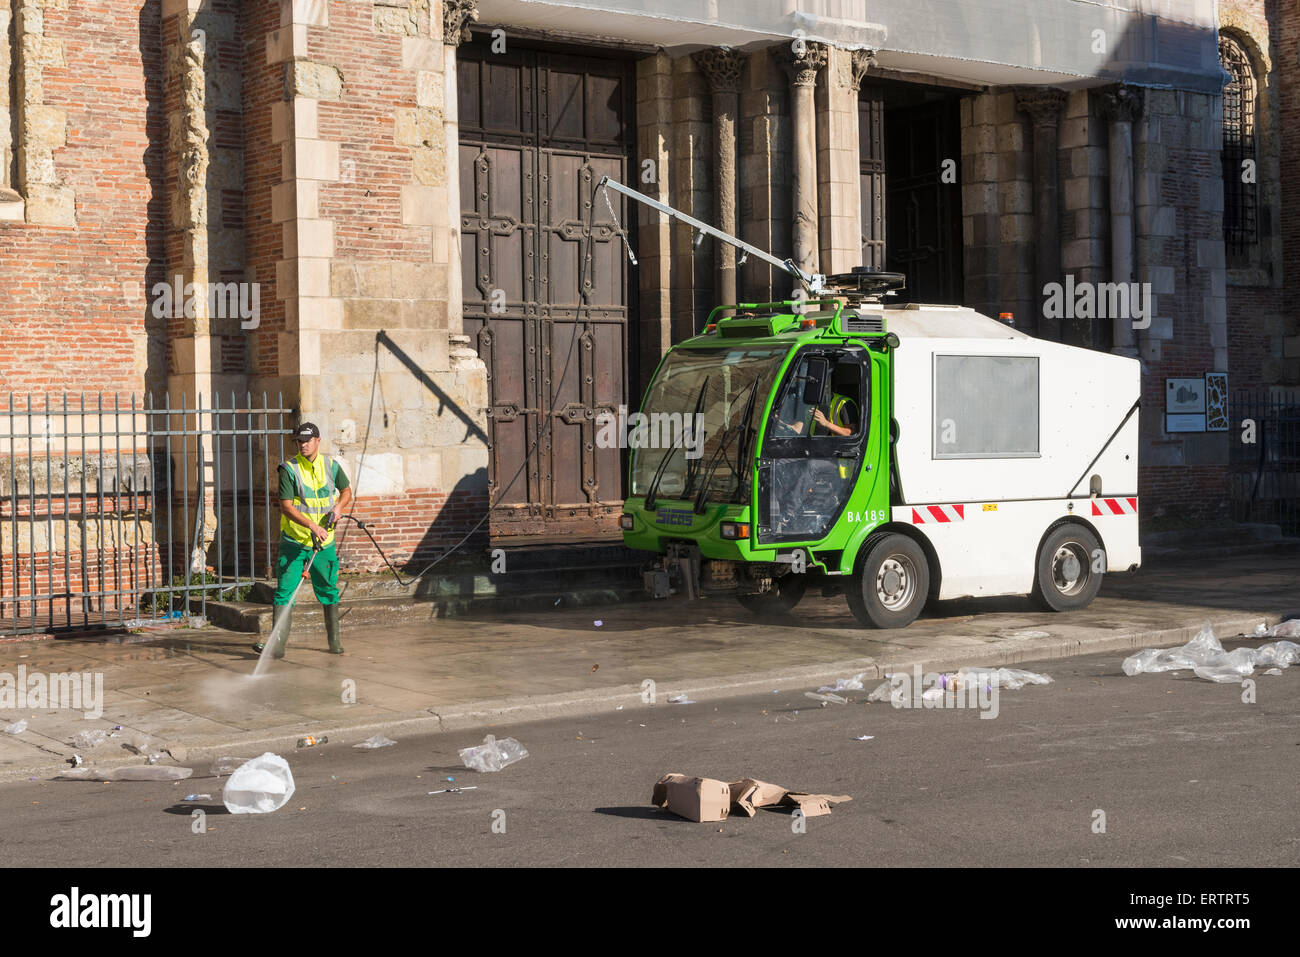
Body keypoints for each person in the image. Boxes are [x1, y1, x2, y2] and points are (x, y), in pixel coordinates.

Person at [253, 422, 353, 658]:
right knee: (285, 592)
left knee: (329, 590)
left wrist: (338, 508)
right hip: (294, 543)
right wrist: (312, 526)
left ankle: (335, 642)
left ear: (318, 441)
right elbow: (286, 507)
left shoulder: (331, 465)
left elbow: (347, 492)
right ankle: (277, 645)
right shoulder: (289, 469)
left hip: (324, 545)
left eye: (308, 440)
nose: (303, 444)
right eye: (299, 441)